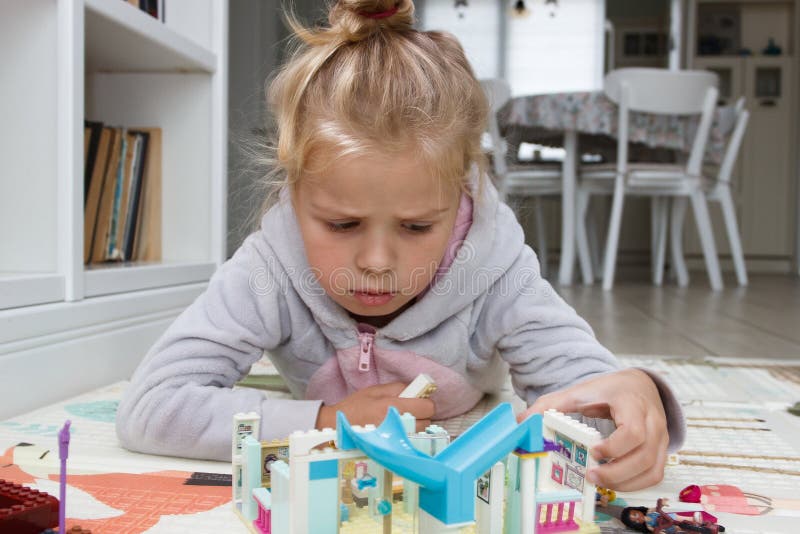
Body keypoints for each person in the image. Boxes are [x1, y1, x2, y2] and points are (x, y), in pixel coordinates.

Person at [116, 0, 683, 492]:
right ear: (293, 190)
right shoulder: (268, 270)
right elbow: (150, 409)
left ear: (462, 196)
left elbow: (589, 397)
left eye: (416, 228)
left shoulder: (497, 269)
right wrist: (324, 420)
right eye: (341, 225)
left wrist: (626, 394)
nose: (377, 262)